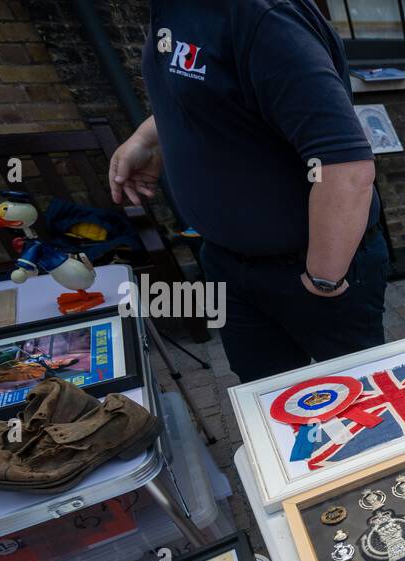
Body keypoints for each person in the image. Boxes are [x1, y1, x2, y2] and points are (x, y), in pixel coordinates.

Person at [109, 0, 387, 384]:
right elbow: (212, 92)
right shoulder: (171, 9)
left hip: (311, 268)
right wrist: (147, 138)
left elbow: (346, 168)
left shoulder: (260, 16)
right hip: (226, 261)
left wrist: (322, 280)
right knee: (266, 396)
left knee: (357, 399)